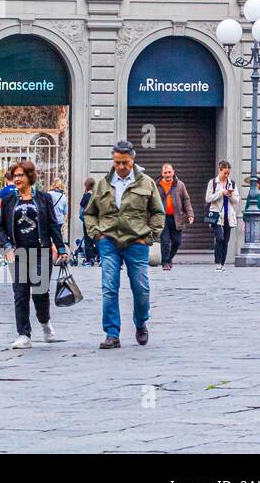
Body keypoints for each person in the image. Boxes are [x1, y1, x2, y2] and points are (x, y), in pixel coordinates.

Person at [84, 140, 165, 349]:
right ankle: (112, 333)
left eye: (125, 163)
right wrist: (96, 235)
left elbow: (158, 213)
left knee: (141, 288)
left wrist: (149, 237)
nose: (121, 167)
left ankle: (140, 322)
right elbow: (90, 213)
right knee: (109, 288)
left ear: (133, 160)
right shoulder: (103, 183)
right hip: (108, 241)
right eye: (117, 162)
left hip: (136, 242)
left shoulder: (146, 183)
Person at [0, 159, 68, 349]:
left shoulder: (44, 198)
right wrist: (7, 247)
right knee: (20, 293)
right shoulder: (10, 200)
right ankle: (24, 334)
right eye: (14, 176)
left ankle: (45, 323)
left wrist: (60, 248)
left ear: (30, 176)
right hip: (18, 253)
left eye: (20, 175)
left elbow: (53, 225)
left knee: (40, 292)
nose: (16, 179)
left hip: (41, 252)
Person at [155, 163, 195, 271]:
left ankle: (170, 257)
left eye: (169, 172)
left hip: (177, 217)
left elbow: (186, 200)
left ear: (173, 172)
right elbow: (151, 201)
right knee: (165, 241)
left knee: (177, 242)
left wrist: (190, 214)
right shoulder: (156, 185)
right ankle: (165, 262)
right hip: (162, 218)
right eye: (165, 173)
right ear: (162, 173)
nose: (167, 175)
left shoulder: (180, 185)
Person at [204, 161, 241, 270]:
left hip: (228, 216)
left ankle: (222, 264)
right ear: (220, 170)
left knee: (225, 240)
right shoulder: (213, 183)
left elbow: (236, 200)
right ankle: (217, 262)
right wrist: (221, 193)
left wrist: (230, 195)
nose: (226, 175)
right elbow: (208, 198)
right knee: (219, 238)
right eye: (225, 173)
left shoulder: (232, 184)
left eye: (228, 173)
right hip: (216, 215)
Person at [77, 177, 97, 264]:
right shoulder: (97, 195)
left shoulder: (86, 196)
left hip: (87, 220)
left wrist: (82, 218)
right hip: (96, 221)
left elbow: (81, 210)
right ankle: (98, 256)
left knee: (87, 239)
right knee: (96, 239)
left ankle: (89, 259)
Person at [48, 177, 69, 243]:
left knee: (47, 237)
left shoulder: (49, 194)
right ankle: (58, 251)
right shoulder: (64, 197)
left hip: (49, 219)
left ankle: (48, 251)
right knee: (57, 238)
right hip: (59, 221)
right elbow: (66, 211)